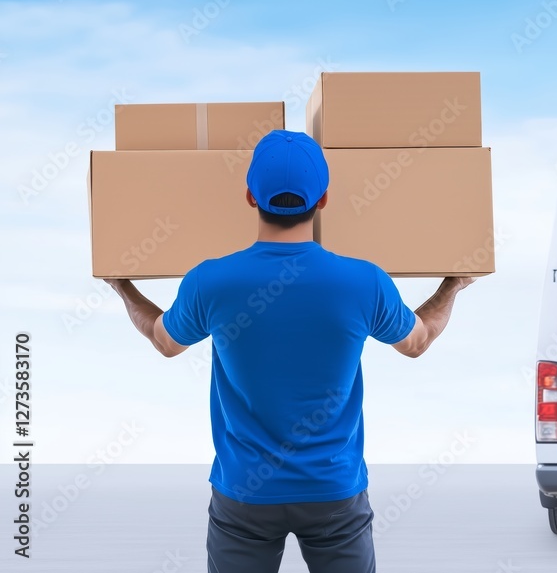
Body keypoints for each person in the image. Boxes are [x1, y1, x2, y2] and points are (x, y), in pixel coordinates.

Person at [105, 129, 475, 573]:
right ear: (323, 201)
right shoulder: (363, 282)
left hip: (245, 493)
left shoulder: (211, 281)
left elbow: (164, 341)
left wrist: (121, 285)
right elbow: (418, 342)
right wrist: (452, 286)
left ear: (248, 196)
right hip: (333, 490)